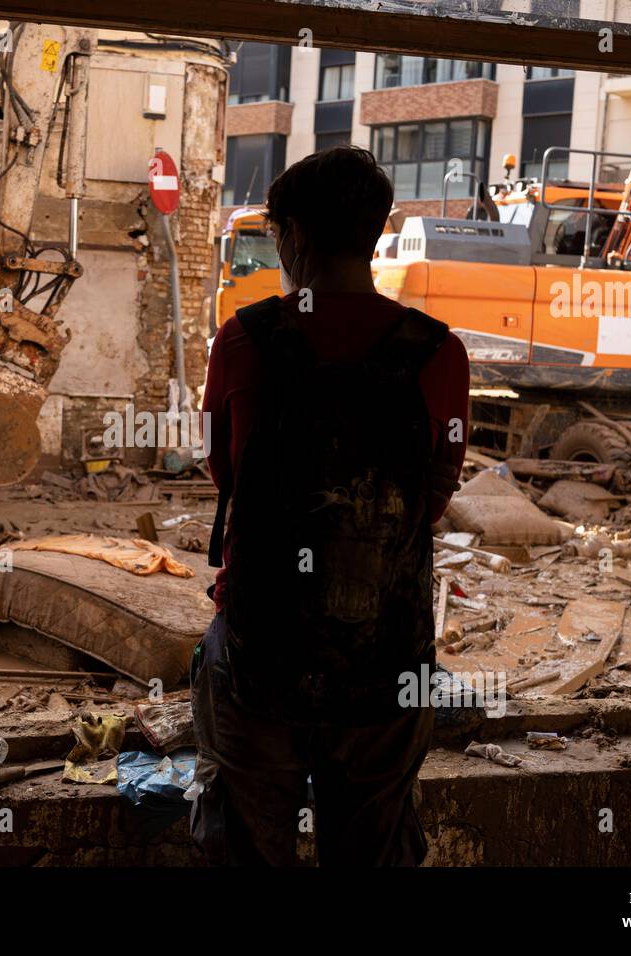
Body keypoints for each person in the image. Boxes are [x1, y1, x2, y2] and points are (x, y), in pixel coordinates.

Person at [191, 146, 470, 867]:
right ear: (373, 231)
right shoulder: (437, 352)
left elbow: (228, 475)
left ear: (294, 237)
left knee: (248, 850)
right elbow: (433, 495)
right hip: (385, 665)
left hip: (261, 657)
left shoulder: (246, 340)